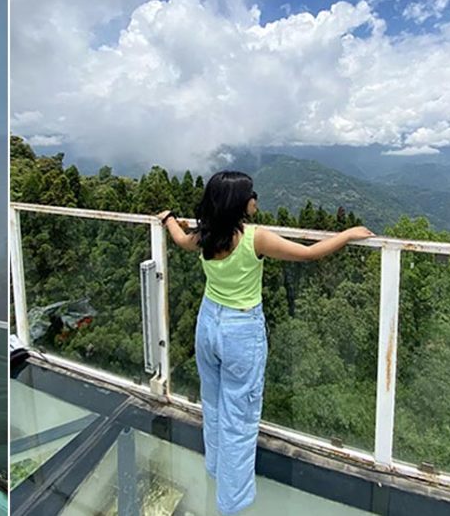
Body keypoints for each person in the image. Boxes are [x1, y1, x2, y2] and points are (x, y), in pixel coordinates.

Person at [158, 170, 373, 515]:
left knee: (213, 402)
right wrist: (347, 234)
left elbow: (181, 241)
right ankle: (232, 502)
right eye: (251, 194)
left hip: (208, 324)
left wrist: (169, 218)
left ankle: (215, 469)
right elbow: (308, 254)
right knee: (239, 417)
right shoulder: (255, 238)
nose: (255, 199)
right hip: (240, 331)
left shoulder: (206, 235)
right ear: (239, 203)